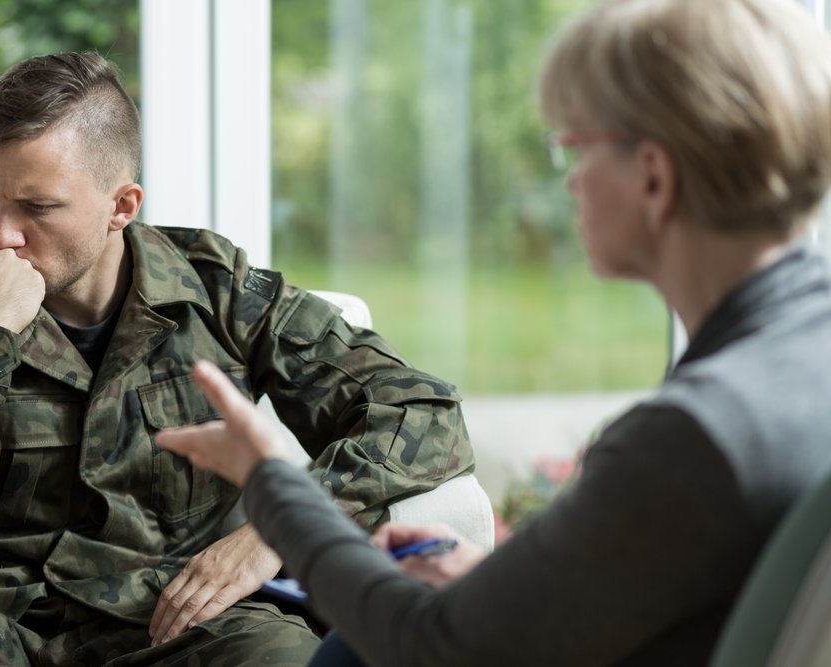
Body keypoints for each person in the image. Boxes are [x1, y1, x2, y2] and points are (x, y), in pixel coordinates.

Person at [155, 0, 831, 665]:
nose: (568, 183)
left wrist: (269, 482)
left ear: (654, 177)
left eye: (574, 147)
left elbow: (424, 645)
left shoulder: (690, 434)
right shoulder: (801, 357)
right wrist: (513, 583)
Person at [0, 51, 474, 665]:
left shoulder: (217, 293)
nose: (1, 235)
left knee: (288, 658)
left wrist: (278, 530)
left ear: (122, 205)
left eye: (37, 206)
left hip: (176, 622)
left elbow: (420, 410)